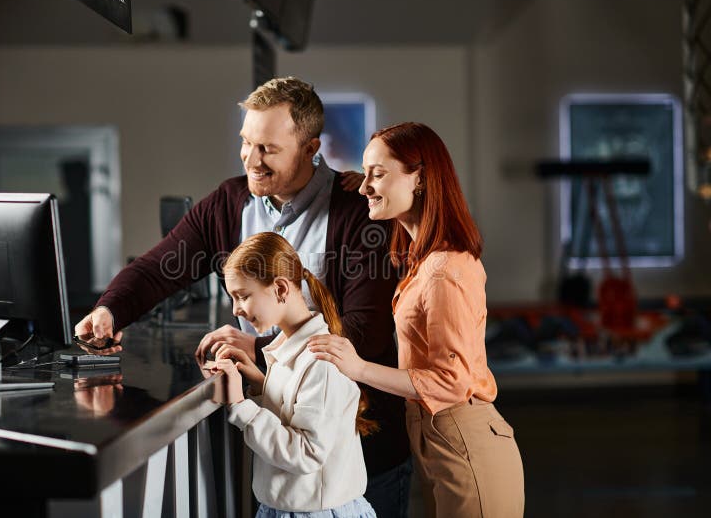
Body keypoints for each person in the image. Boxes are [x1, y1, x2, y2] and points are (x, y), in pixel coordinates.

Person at [72, 76, 412, 515]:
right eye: (246, 143)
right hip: (281, 461)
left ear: (311, 149)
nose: (252, 160)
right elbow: (161, 266)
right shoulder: (229, 203)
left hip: (365, 455)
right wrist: (109, 309)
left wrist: (260, 345)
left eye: (268, 149)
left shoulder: (355, 212)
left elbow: (365, 333)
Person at [308, 122, 525, 518]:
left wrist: (357, 367)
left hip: (463, 438)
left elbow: (450, 381)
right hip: (435, 437)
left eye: (377, 174)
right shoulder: (419, 259)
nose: (363, 187)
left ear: (421, 178)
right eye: (365, 173)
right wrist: (373, 180)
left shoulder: (444, 269)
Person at [209, 232, 376, 517]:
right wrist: (260, 385)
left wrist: (241, 406)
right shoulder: (289, 349)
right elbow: (293, 411)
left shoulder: (321, 363)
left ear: (280, 289)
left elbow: (307, 452)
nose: (236, 309)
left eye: (243, 296)